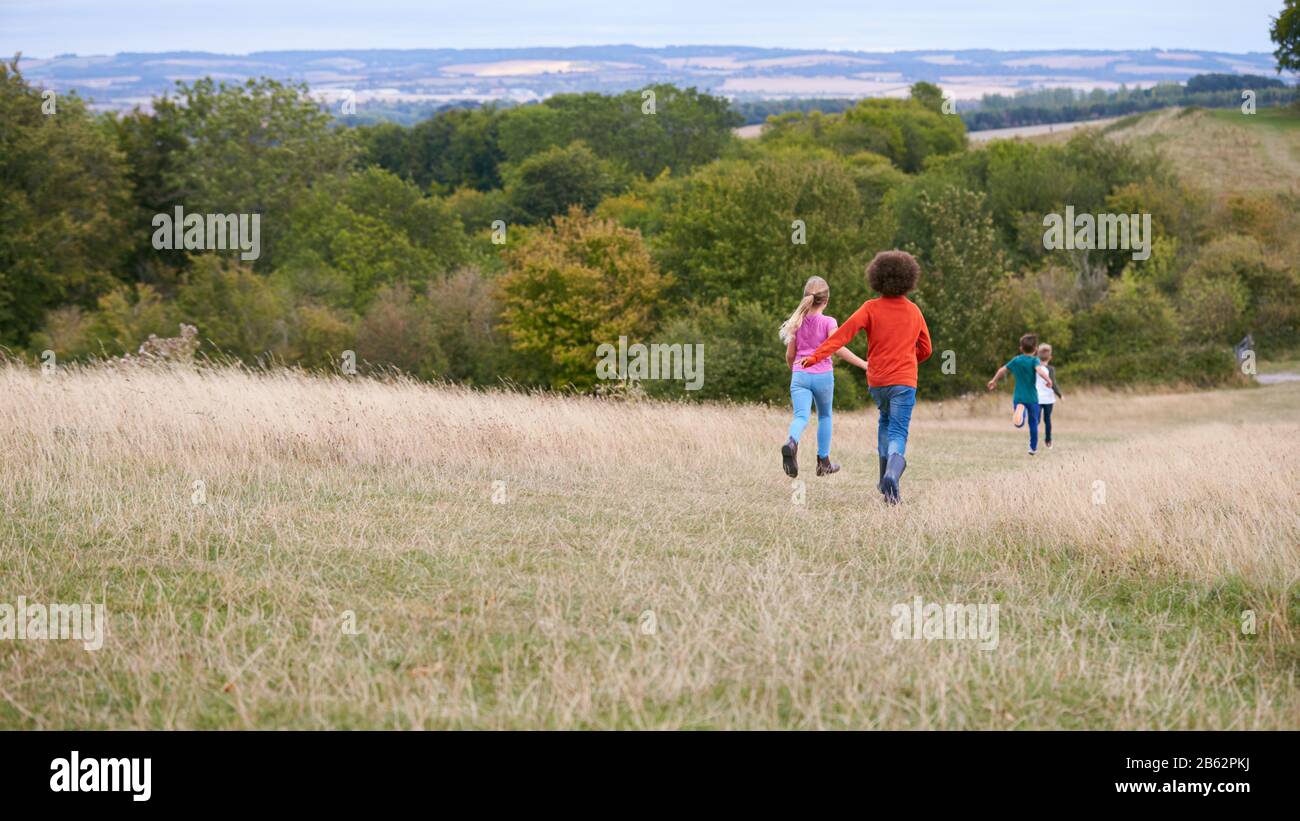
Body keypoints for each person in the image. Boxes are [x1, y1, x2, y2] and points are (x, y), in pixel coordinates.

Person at [798, 251, 932, 504]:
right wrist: (908, 360)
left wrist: (815, 357)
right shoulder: (914, 311)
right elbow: (926, 349)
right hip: (904, 380)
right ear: (908, 279)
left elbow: (841, 337)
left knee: (884, 422)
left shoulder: (870, 308)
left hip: (878, 381)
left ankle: (885, 484)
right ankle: (892, 474)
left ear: (877, 278)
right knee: (899, 431)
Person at [779, 276, 868, 478]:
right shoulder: (829, 322)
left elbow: (790, 355)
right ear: (826, 301)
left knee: (800, 416)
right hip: (823, 376)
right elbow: (838, 348)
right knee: (825, 416)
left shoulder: (796, 323)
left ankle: (792, 442)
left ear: (806, 298)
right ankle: (823, 462)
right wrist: (863, 363)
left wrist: (794, 371)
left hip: (800, 373)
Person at [986, 333, 1053, 455]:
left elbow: (1002, 369)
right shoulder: (1034, 360)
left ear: (1021, 349)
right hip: (1032, 398)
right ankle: (1033, 448)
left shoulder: (1016, 360)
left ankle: (1020, 415)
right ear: (1035, 349)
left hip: (1018, 397)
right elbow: (1039, 371)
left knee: (1019, 422)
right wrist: (1048, 380)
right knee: (1033, 423)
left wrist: (994, 380)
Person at [1036, 343, 1062, 449]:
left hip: (1036, 398)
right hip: (1048, 399)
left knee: (1035, 420)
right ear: (1050, 357)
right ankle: (1048, 440)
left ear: (1038, 356)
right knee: (1047, 420)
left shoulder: (1035, 368)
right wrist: (1060, 395)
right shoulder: (1050, 369)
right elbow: (1053, 383)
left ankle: (1034, 439)